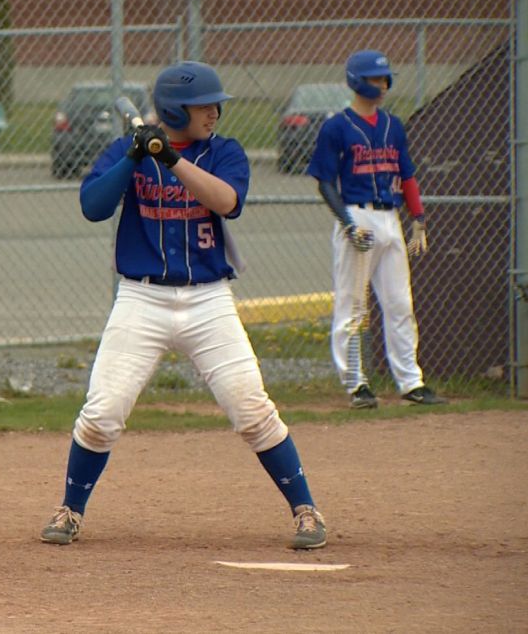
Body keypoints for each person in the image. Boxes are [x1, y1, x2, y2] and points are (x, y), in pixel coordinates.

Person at [39, 61, 327, 550]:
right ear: (176, 109)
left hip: (208, 300)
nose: (214, 112)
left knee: (252, 410)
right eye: (204, 106)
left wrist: (170, 158)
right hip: (141, 298)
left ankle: (306, 510)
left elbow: (227, 200)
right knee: (102, 412)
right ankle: (70, 510)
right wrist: (133, 159)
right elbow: (92, 206)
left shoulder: (225, 153)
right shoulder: (129, 150)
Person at [306, 49, 446, 410]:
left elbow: (407, 175)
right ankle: (356, 385)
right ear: (356, 81)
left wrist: (418, 219)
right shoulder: (337, 126)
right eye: (373, 79)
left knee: (400, 303)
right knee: (353, 305)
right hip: (357, 216)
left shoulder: (392, 125)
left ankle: (410, 382)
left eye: (384, 79)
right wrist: (347, 223)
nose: (381, 85)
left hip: (389, 218)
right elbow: (324, 182)